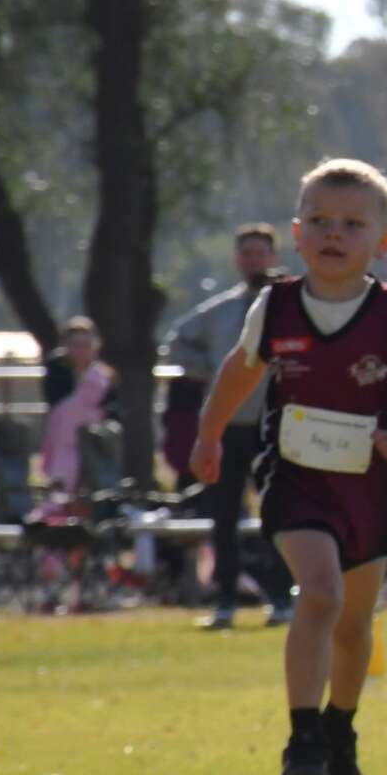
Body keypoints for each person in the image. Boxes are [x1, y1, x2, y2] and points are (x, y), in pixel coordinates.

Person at [190, 157, 387, 775]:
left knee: (354, 621)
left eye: (353, 224)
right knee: (321, 593)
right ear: (297, 232)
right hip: (295, 481)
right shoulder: (274, 306)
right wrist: (208, 435)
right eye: (320, 220)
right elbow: (238, 372)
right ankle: (301, 740)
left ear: (382, 243)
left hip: (368, 487)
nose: (334, 233)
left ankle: (340, 733)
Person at [161, 224, 295, 629]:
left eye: (260, 254)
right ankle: (225, 601)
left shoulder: (290, 308)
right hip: (229, 427)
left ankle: (282, 597)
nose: (254, 261)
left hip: (273, 428)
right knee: (223, 517)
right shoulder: (220, 311)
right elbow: (176, 341)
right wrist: (209, 372)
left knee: (279, 515)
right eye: (247, 254)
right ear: (237, 260)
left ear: (272, 257)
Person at [38, 317, 115, 493]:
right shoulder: (57, 370)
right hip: (64, 437)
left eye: (86, 344)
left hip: (96, 438)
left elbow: (113, 407)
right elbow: (56, 402)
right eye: (76, 345)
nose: (81, 350)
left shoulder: (102, 376)